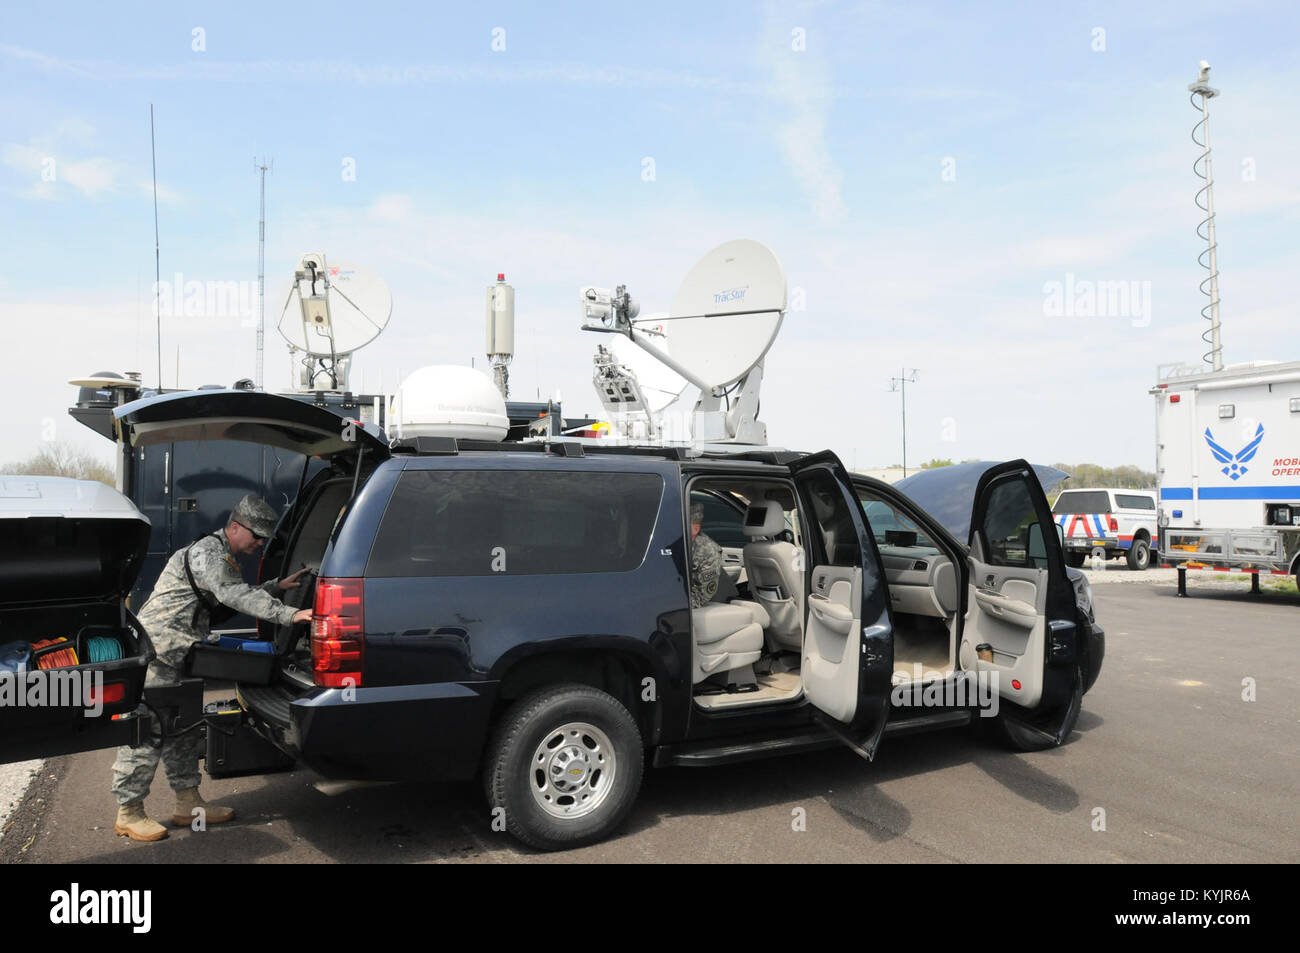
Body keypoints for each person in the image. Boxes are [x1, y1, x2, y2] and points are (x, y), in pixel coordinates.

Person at [111, 494, 312, 842]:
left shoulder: (222, 555)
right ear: (235, 527)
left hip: (182, 650)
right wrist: (289, 613)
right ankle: (129, 812)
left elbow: (230, 592)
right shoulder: (210, 552)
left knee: (184, 727)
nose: (260, 544)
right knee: (149, 729)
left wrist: (275, 588)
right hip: (159, 650)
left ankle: (188, 803)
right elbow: (233, 596)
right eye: (257, 536)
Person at [689, 502, 724, 608]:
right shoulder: (676, 544)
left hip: (701, 608)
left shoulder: (709, 552)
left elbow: (700, 597)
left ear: (695, 529)